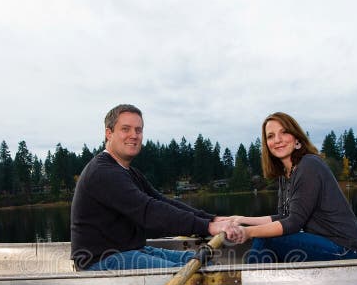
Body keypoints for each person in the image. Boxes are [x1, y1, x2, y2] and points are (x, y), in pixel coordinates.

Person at [71, 104, 234, 270]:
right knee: (190, 271)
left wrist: (210, 219)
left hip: (128, 251)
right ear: (109, 133)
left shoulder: (128, 172)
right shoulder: (103, 172)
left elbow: (160, 201)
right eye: (126, 129)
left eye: (138, 130)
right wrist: (208, 227)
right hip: (100, 261)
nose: (134, 135)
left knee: (202, 261)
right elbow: (149, 210)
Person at [231, 112, 357, 263]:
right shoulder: (286, 173)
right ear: (267, 145)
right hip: (325, 244)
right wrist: (242, 220)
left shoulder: (309, 165)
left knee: (266, 238)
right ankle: (264, 283)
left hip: (345, 249)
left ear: (296, 137)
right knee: (265, 237)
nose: (277, 140)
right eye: (270, 136)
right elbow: (284, 217)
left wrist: (249, 232)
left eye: (284, 132)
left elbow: (294, 223)